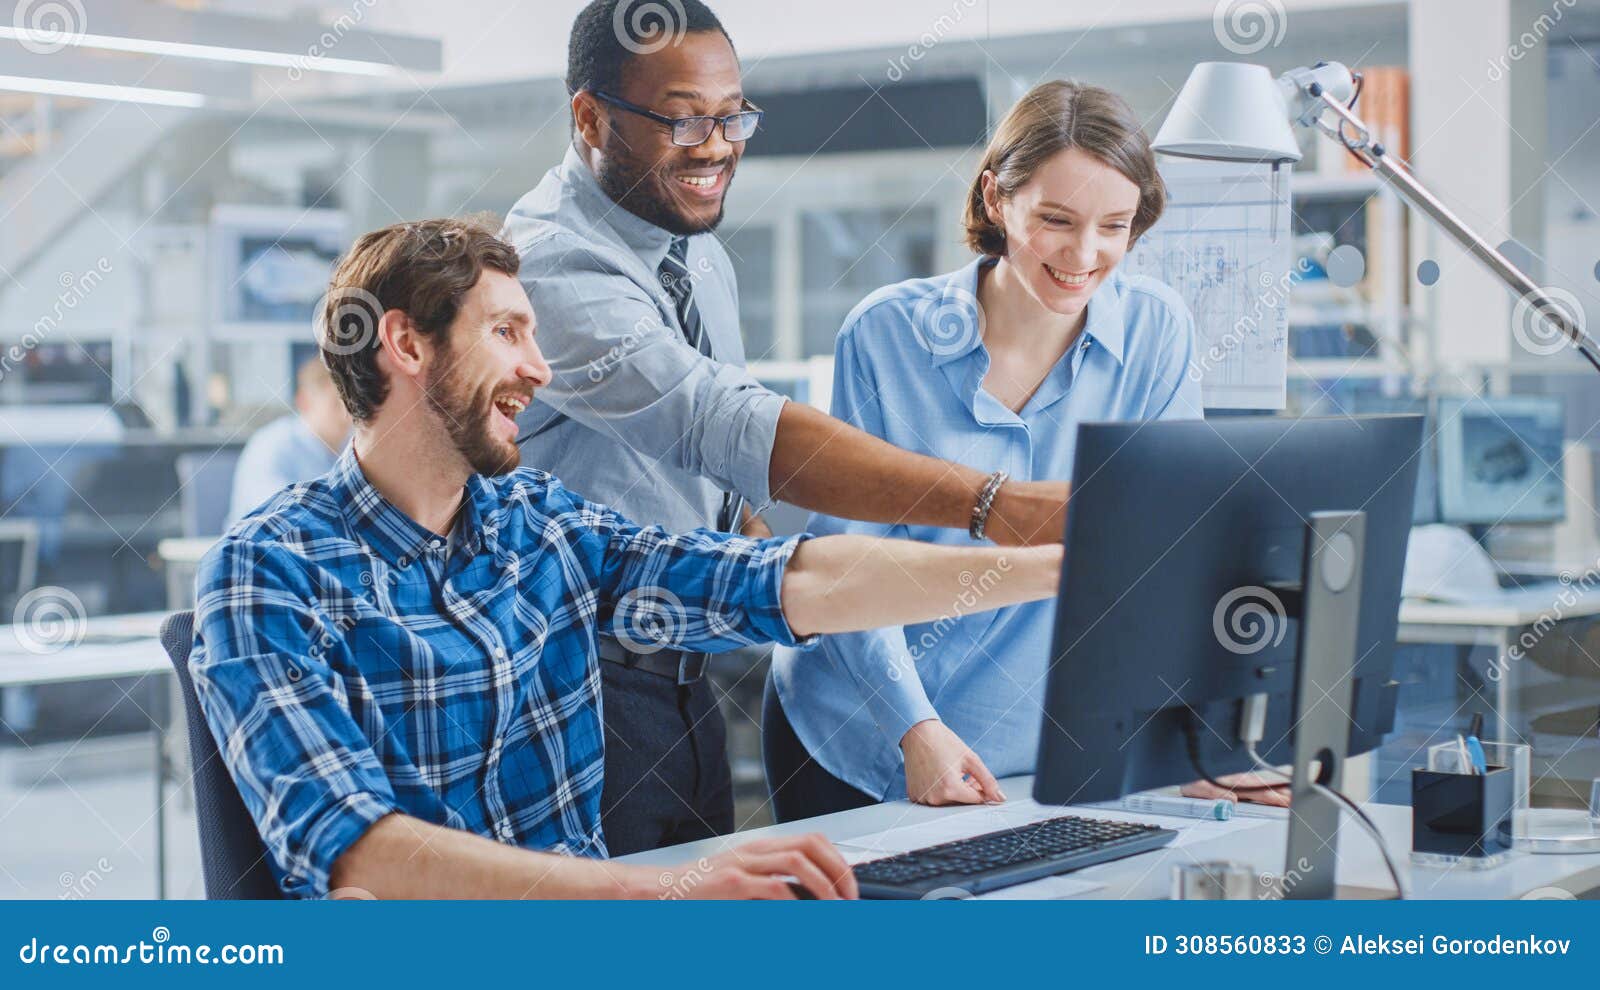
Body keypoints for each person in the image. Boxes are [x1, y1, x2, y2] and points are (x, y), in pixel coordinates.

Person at [188, 216, 1065, 900]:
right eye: (507, 332)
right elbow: (363, 851)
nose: (539, 368)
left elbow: (779, 582)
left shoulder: (536, 522)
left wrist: (1056, 564)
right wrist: (659, 893)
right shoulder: (268, 572)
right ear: (407, 344)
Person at [501, 0, 1069, 855]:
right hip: (578, 693)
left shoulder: (695, 252)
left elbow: (741, 493)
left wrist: (896, 692)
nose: (720, 146)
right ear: (590, 118)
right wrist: (990, 503)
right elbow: (728, 428)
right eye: (685, 120)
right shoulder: (553, 266)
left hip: (689, 683)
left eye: (733, 116)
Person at [766, 80, 1288, 820]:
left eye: (1115, 224)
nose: (1086, 253)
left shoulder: (1155, 331)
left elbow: (1165, 555)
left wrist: (1193, 741)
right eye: (1056, 220)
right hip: (867, 728)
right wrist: (914, 729)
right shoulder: (889, 335)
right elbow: (853, 559)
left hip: (1035, 750)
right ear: (994, 200)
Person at [225, 357, 350, 527]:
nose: (347, 415)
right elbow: (284, 516)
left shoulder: (351, 445)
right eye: (336, 404)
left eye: (351, 405)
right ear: (305, 402)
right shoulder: (272, 445)